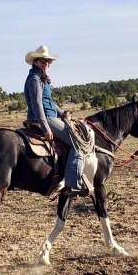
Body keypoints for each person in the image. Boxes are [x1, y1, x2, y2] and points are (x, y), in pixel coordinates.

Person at [23, 45, 85, 195]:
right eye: (44, 61)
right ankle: (72, 185)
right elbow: (38, 105)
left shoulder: (41, 77)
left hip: (51, 115)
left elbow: (49, 101)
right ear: (36, 62)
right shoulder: (34, 79)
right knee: (78, 144)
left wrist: (62, 112)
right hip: (46, 118)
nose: (47, 63)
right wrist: (45, 128)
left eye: (48, 61)